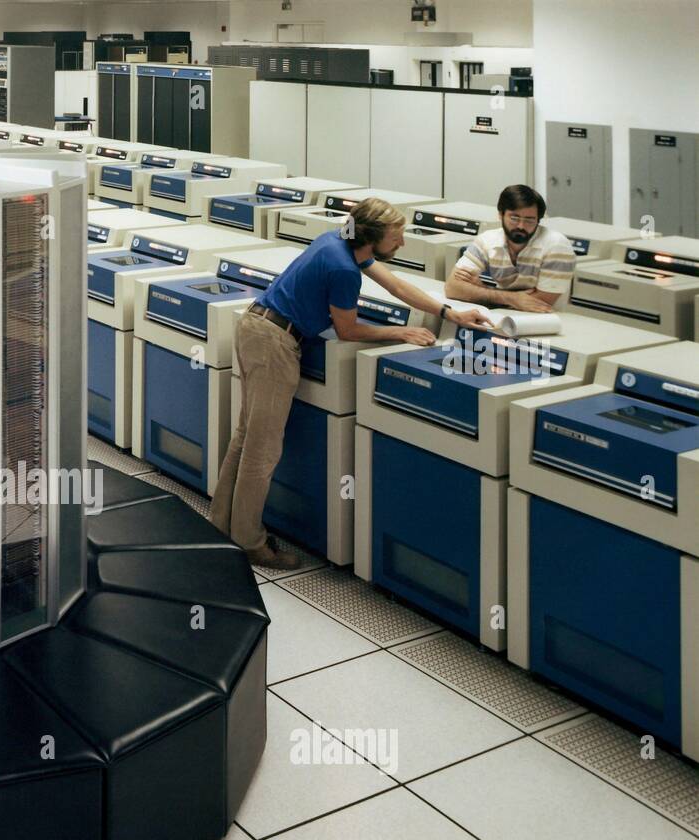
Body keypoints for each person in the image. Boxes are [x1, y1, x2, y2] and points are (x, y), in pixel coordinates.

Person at [210, 197, 492, 569]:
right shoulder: (345, 269)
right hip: (275, 344)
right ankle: (249, 543)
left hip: (257, 327)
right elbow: (348, 330)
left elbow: (395, 286)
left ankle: (220, 527)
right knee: (262, 450)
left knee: (247, 437)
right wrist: (402, 332)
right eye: (397, 237)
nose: (402, 244)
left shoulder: (337, 242)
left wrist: (447, 311)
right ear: (372, 238)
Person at [445, 184, 577, 311]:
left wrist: (481, 290)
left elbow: (542, 302)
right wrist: (512, 298)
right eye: (514, 218)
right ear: (501, 215)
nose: (521, 226)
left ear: (538, 220)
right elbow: (452, 288)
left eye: (529, 220)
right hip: (500, 315)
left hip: (545, 319)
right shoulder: (487, 240)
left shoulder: (557, 245)